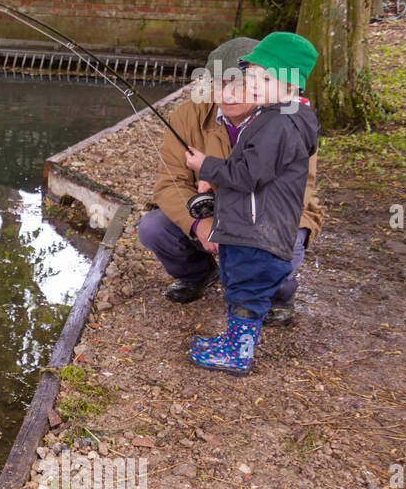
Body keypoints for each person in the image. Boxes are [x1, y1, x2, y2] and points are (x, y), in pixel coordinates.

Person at [137, 36, 323, 325]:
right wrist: (200, 224)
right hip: (212, 217)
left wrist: (234, 230)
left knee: (283, 248)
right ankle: (200, 275)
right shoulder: (187, 116)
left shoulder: (289, 121)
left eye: (241, 84)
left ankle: (277, 296)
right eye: (220, 83)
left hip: (269, 218)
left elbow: (295, 193)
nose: (229, 94)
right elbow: (169, 183)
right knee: (152, 227)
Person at [181, 32, 320, 375]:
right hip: (251, 226)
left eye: (268, 77)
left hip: (260, 230)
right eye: (253, 74)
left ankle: (237, 353)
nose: (255, 83)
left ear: (292, 85)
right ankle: (231, 340)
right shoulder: (276, 116)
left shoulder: (280, 123)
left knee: (247, 289)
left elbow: (249, 175)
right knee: (238, 281)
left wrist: (207, 166)